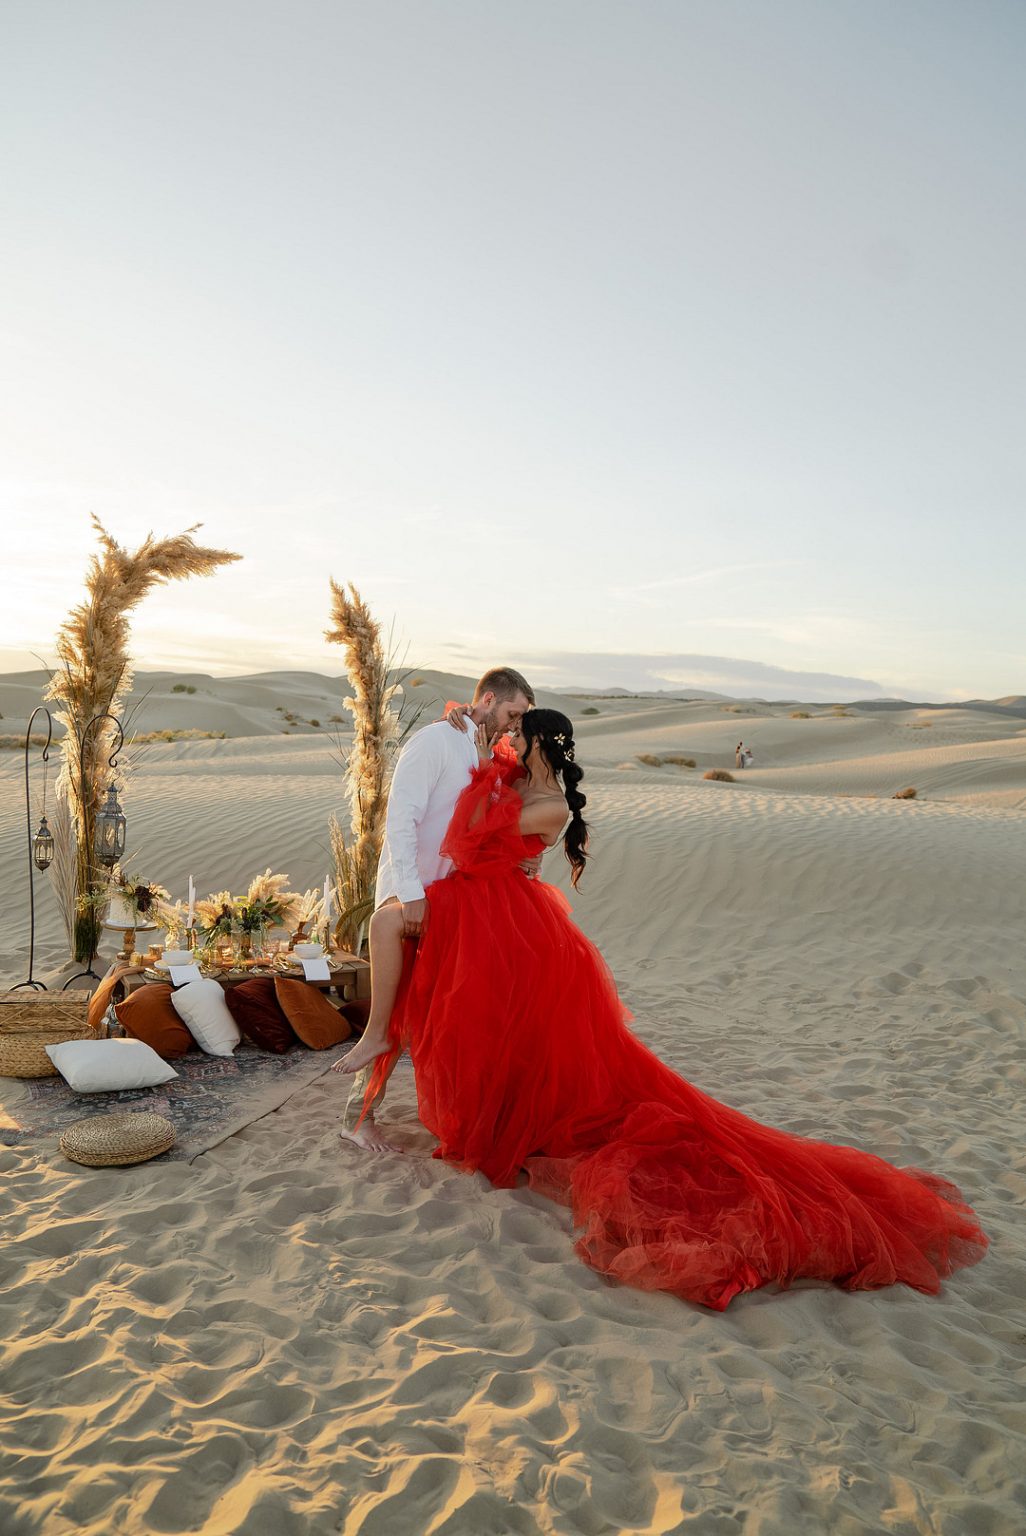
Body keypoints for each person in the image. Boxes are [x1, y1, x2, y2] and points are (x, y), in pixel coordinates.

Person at [343, 708, 988, 1310]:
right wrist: (482, 753)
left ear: (540, 745)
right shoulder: (515, 781)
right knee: (422, 962)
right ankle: (383, 1038)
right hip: (488, 910)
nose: (508, 740)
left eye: (519, 734)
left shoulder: (551, 805)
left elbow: (465, 833)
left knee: (433, 966)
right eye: (507, 731)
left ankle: (392, 1048)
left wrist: (487, 769)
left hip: (505, 918)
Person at [334, 666, 534, 1148]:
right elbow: (400, 820)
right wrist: (411, 894)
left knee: (429, 1006)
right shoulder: (434, 742)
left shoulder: (485, 751)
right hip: (414, 890)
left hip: (456, 901)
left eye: (521, 718)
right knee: (398, 1006)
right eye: (512, 713)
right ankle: (357, 1118)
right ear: (487, 699)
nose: (514, 724)